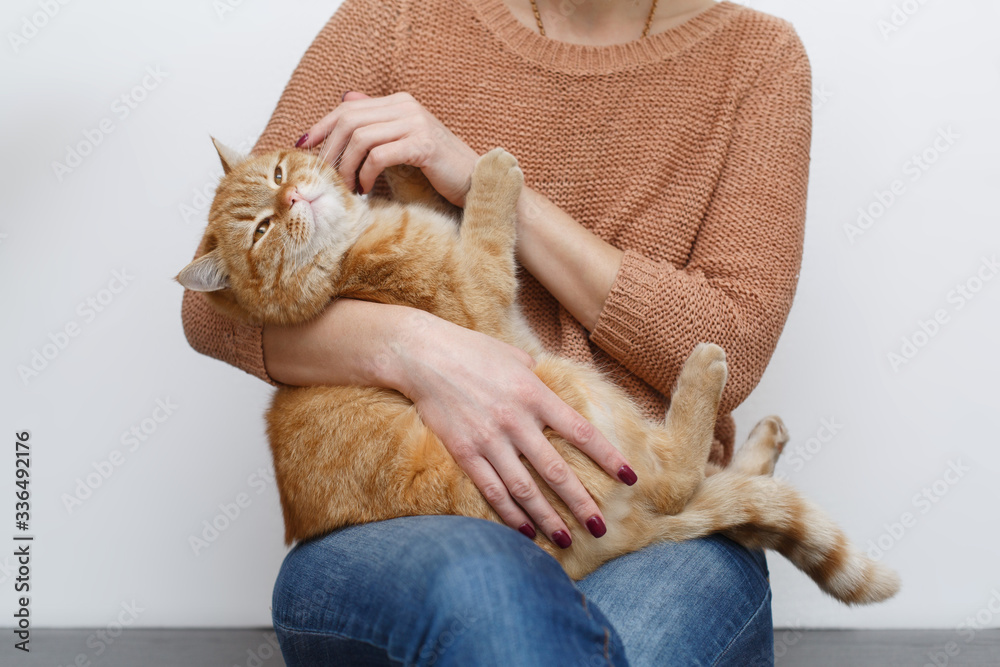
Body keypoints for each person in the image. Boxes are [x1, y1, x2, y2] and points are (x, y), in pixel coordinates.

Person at [181, 0, 811, 663]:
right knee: (492, 594)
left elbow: (726, 350)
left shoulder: (758, 58)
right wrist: (419, 352)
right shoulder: (393, 19)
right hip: (411, 524)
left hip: (649, 522)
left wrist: (483, 183)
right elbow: (215, 306)